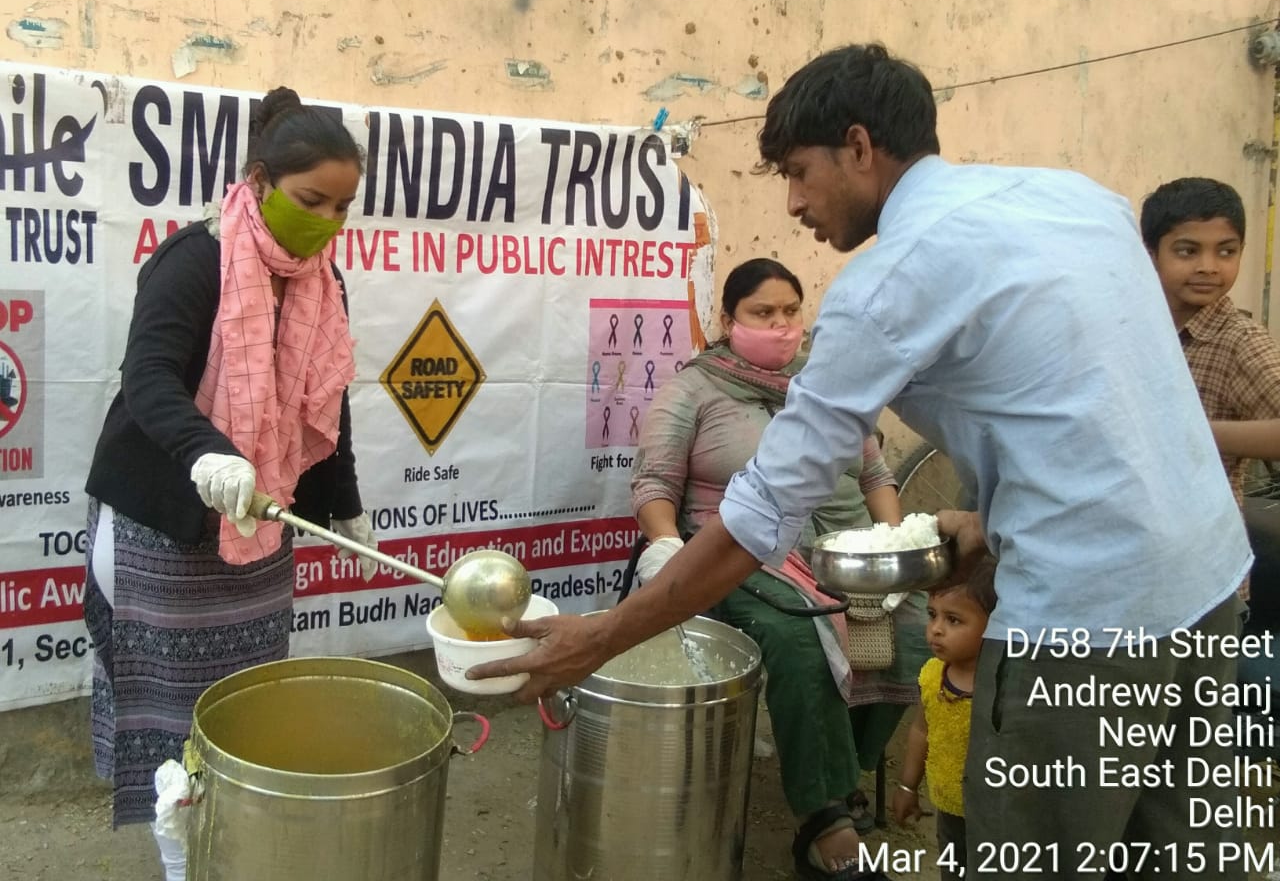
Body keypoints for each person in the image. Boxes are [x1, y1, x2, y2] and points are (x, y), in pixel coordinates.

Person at [473, 44, 1250, 880]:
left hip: (1086, 624)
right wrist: (993, 523)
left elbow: (758, 515)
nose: (794, 200)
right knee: (1188, 853)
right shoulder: (1079, 200)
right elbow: (1097, 412)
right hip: (1212, 582)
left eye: (798, 172)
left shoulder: (886, 283)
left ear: (858, 145)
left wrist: (599, 639)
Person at [82, 87, 377, 881]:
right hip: (168, 527)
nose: (327, 221)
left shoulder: (324, 282)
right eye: (311, 200)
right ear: (258, 178)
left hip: (261, 527)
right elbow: (147, 380)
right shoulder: (196, 258)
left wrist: (344, 504)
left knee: (245, 711)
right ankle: (182, 860)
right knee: (179, 720)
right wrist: (208, 455)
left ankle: (237, 853)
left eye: (344, 205)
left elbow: (327, 401)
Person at [631, 257, 928, 878]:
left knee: (910, 623)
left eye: (791, 311)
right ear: (727, 319)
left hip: (843, 548)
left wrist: (892, 541)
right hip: (743, 549)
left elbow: (875, 473)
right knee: (801, 638)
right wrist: (667, 548)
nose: (781, 325)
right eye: (762, 313)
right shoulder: (693, 389)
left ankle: (839, 766)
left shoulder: (825, 384)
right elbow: (656, 484)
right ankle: (826, 819)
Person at [1140, 176, 1280, 508]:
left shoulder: (1239, 341)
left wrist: (1193, 431)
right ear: (1150, 254)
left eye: (1226, 252)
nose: (1208, 267)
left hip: (1199, 542)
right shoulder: (1130, 327)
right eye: (1187, 251)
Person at [891, 558, 997, 881]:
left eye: (953, 620)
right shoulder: (932, 677)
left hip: (995, 814)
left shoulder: (1003, 687)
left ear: (995, 624)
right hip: (949, 807)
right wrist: (908, 786)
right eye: (932, 615)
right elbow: (921, 731)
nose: (936, 629)